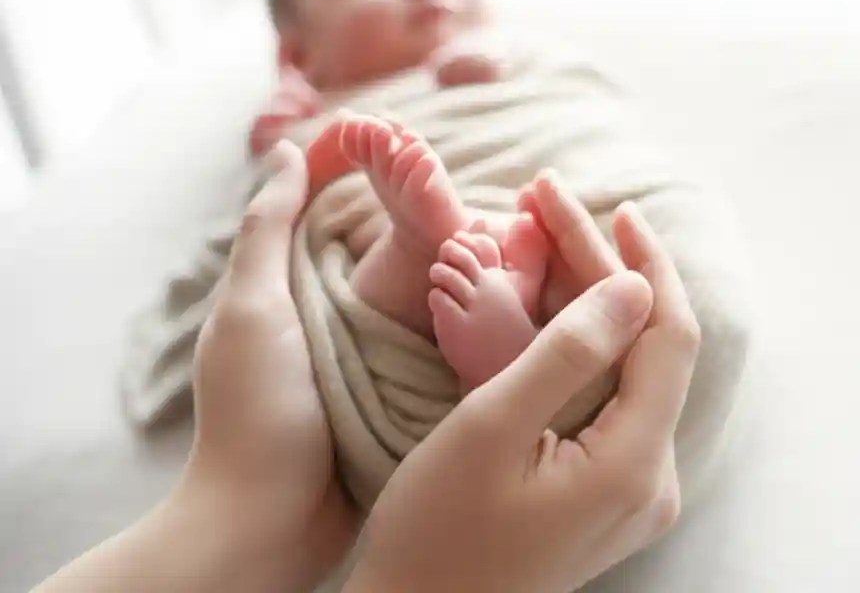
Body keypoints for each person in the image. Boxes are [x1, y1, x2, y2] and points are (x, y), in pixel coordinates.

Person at [36, 140, 701, 592]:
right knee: (354, 249)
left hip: (283, 492)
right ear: (302, 52)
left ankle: (477, 311)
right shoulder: (308, 93)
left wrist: (240, 502)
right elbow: (296, 143)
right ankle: (486, 341)